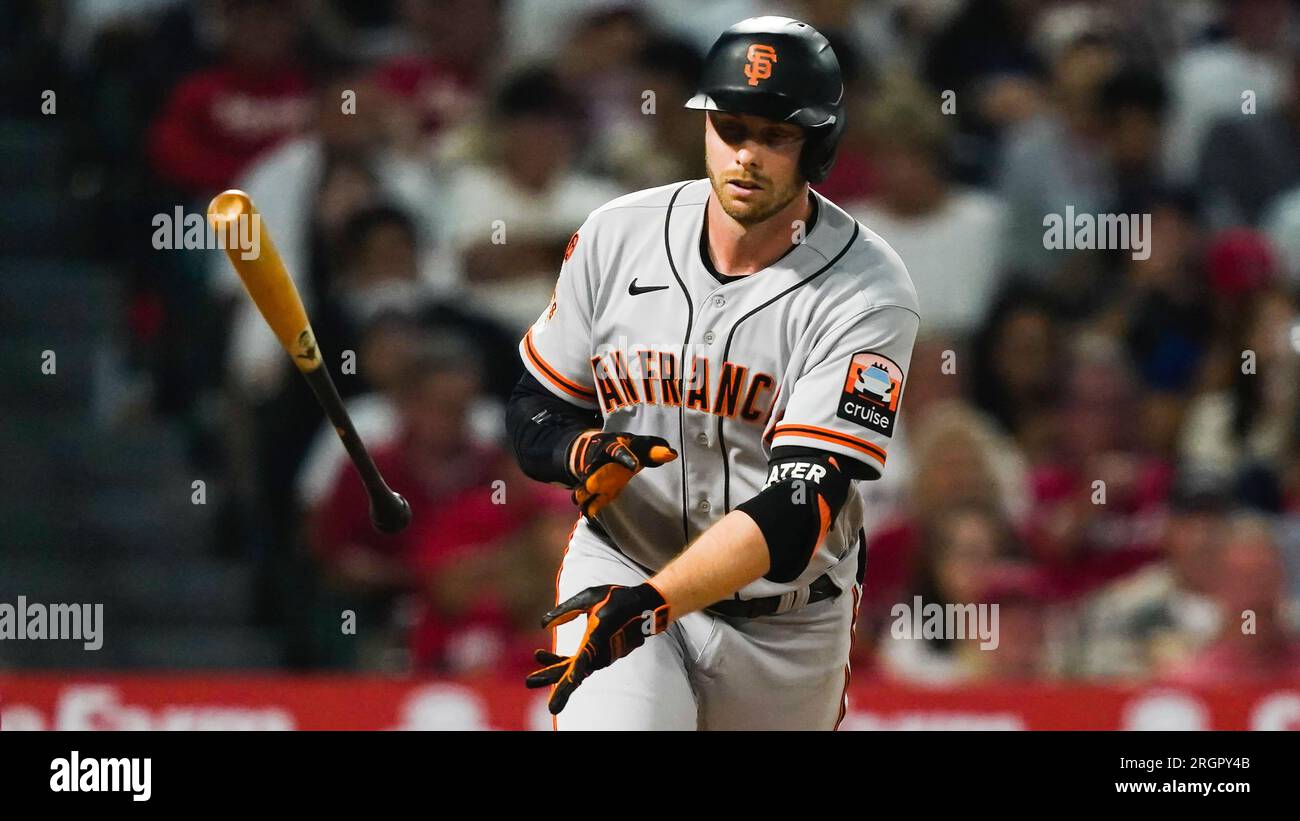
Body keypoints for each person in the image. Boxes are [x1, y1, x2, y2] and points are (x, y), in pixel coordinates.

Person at [506, 17, 920, 730]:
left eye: (774, 135)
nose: (746, 155)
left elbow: (800, 512)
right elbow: (534, 406)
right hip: (624, 565)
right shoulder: (617, 234)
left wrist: (659, 599)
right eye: (730, 128)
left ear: (818, 146)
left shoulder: (867, 287)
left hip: (785, 623)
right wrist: (577, 450)